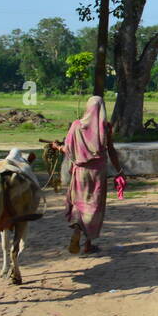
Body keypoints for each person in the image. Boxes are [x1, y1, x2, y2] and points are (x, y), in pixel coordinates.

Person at [61, 95, 125, 254]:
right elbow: (111, 150)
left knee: (79, 203)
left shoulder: (76, 126)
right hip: (98, 173)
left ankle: (77, 227)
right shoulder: (105, 128)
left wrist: (57, 147)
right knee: (94, 206)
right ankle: (88, 244)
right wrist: (119, 171)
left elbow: (68, 149)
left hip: (80, 173)